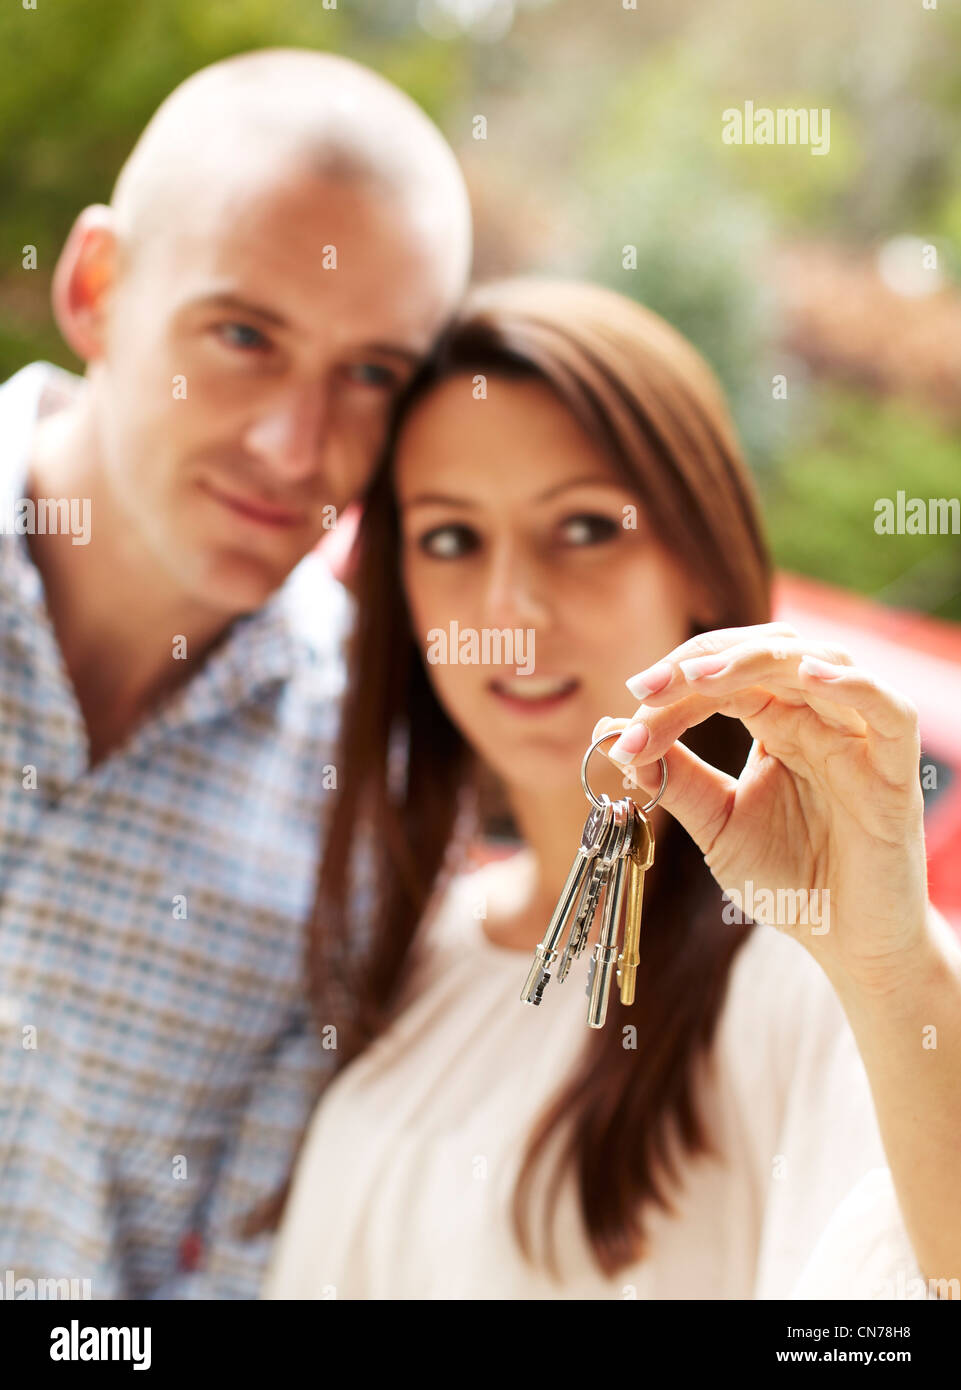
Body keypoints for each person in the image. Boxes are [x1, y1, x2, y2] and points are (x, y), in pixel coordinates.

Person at [263, 278, 961, 1300]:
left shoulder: (822, 974)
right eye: (451, 537)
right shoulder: (418, 941)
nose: (510, 604)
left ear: (696, 557)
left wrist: (888, 961)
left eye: (584, 527)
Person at [0, 47, 471, 1298]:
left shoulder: (369, 800)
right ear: (98, 286)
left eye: (372, 373)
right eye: (244, 334)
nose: (294, 445)